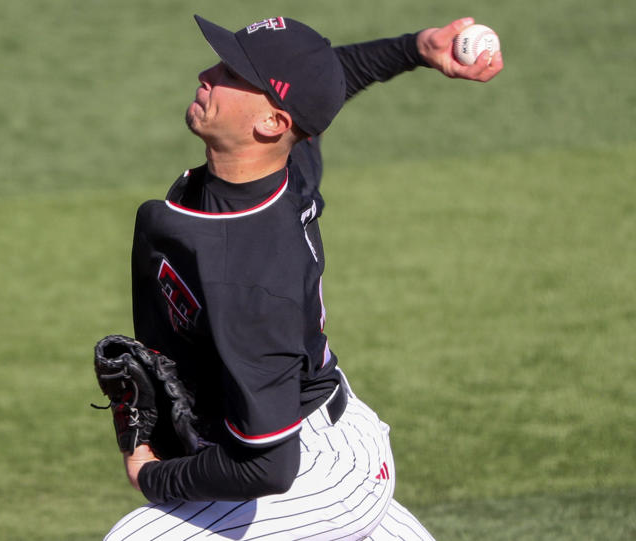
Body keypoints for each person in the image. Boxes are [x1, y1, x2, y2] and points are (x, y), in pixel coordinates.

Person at [103, 15, 502, 541]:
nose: (207, 73)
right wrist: (416, 48)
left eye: (232, 74)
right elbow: (326, 77)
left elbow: (266, 468)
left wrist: (151, 475)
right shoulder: (282, 165)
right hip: (323, 432)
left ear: (272, 122)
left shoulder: (250, 280)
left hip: (317, 474)